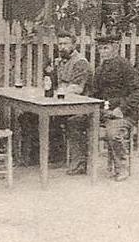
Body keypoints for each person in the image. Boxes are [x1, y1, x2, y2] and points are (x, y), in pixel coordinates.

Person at [65, 33, 139, 181]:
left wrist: (122, 109)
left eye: (106, 48)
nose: (103, 52)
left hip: (122, 114)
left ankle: (122, 168)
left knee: (113, 133)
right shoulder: (100, 70)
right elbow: (95, 94)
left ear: (115, 48)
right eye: (100, 49)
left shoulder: (125, 66)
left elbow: (137, 91)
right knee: (74, 122)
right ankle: (80, 163)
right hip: (103, 112)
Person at [19, 32, 92, 165]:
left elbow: (77, 89)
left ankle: (60, 157)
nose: (62, 47)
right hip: (58, 104)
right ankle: (37, 157)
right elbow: (50, 83)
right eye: (60, 44)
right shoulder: (58, 61)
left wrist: (57, 90)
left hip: (76, 106)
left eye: (65, 44)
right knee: (28, 116)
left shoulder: (80, 63)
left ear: (74, 45)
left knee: (51, 119)